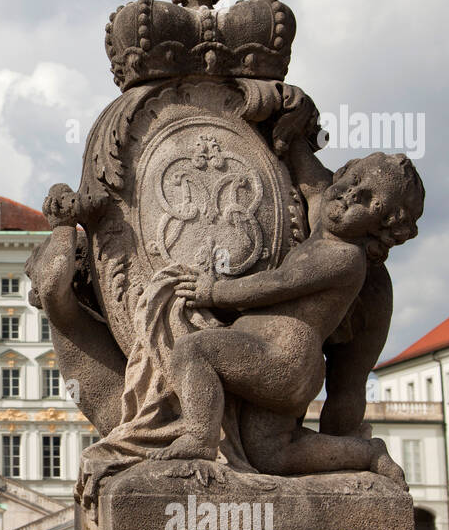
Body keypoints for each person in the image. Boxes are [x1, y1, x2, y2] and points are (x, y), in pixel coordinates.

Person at [166, 152, 423, 482]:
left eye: (370, 203)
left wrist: (213, 293)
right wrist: (293, 138)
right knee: (272, 454)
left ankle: (199, 440)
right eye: (355, 180)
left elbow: (277, 284)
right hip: (292, 361)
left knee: (194, 351)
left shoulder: (344, 257)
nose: (351, 195)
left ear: (380, 229)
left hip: (283, 358)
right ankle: (367, 453)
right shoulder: (325, 233)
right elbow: (314, 180)